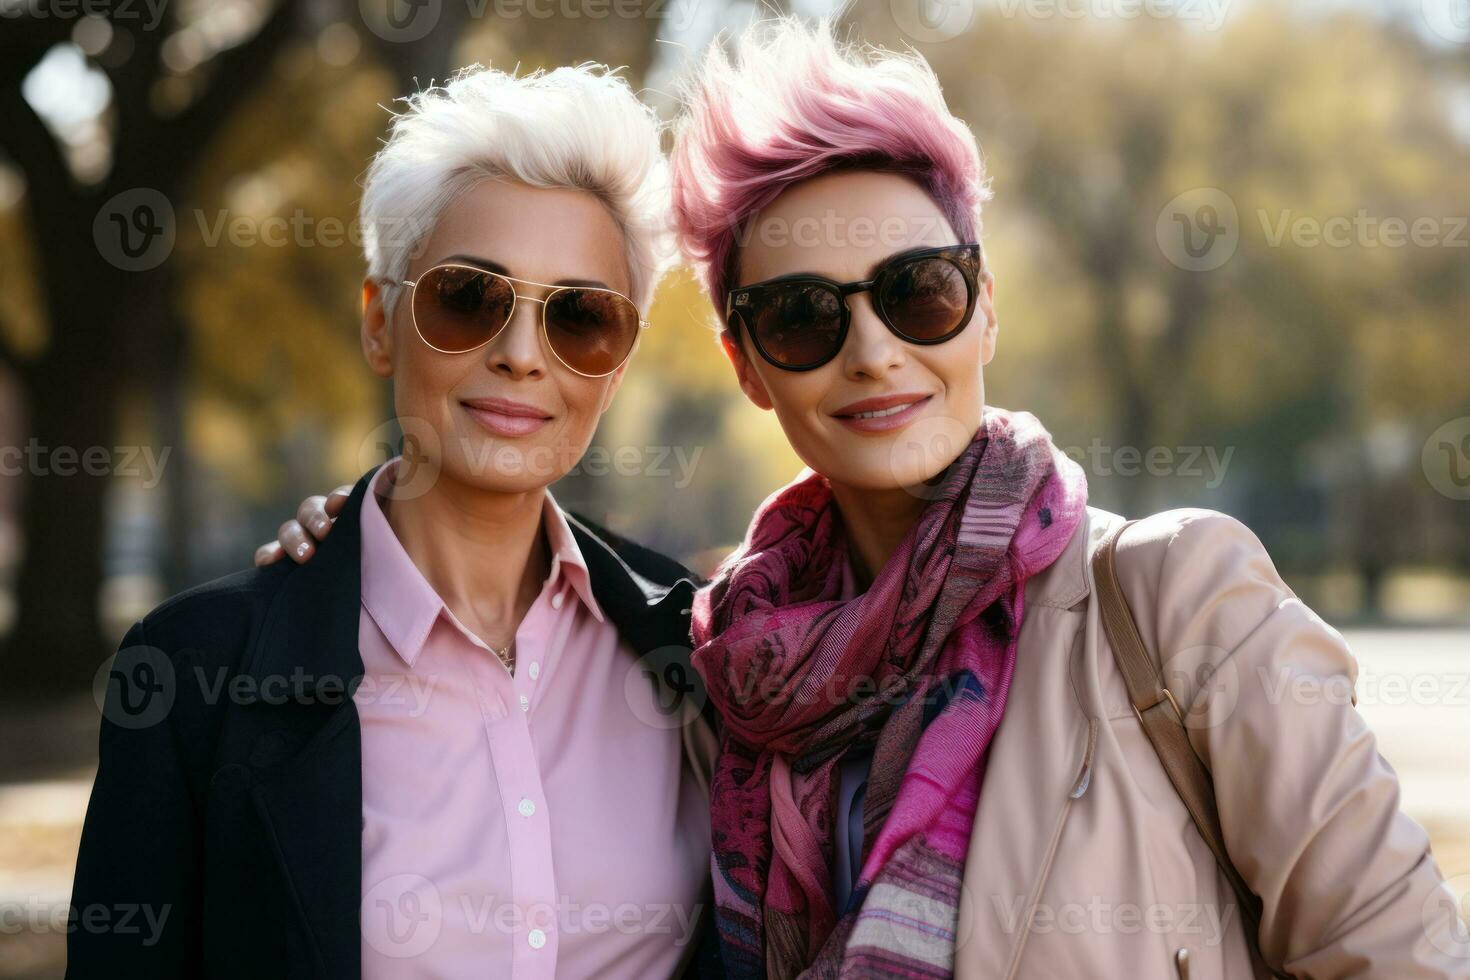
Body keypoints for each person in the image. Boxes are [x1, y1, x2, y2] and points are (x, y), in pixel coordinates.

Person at [264, 19, 1469, 980]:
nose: (876, 352)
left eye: (919, 291)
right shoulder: (719, 668)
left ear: (985, 306)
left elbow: (1393, 953)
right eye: (804, 314)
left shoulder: (1175, 599)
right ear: (746, 364)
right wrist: (347, 551)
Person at [70, 64, 720, 979]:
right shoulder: (198, 675)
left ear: (617, 366)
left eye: (580, 317)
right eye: (467, 298)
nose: (523, 356)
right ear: (381, 322)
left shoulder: (701, 652)